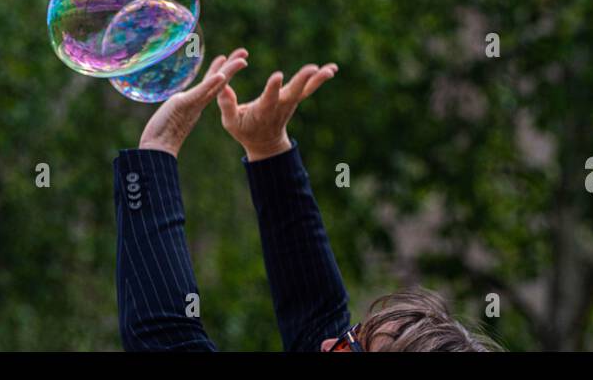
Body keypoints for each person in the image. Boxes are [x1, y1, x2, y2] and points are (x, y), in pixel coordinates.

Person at [114, 48, 499, 351]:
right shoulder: (328, 342)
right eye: (349, 335)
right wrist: (269, 150)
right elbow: (318, 323)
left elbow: (165, 339)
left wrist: (159, 149)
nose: (330, 344)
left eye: (350, 349)